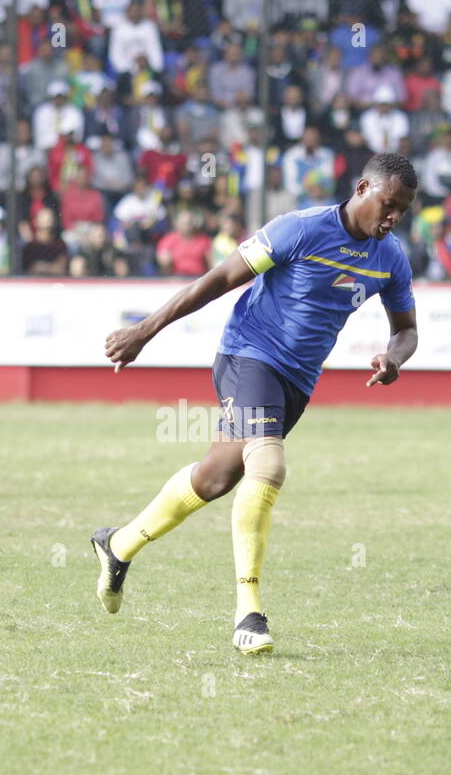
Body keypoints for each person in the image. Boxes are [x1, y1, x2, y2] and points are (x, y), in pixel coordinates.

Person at [92, 154, 419, 654]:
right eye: (388, 204)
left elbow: (407, 330)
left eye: (402, 211)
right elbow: (218, 280)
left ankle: (118, 546)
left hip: (297, 382)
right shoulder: (300, 230)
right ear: (362, 188)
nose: (393, 217)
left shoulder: (390, 257)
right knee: (267, 463)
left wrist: (394, 359)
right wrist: (144, 331)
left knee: (216, 478)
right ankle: (249, 611)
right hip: (248, 357)